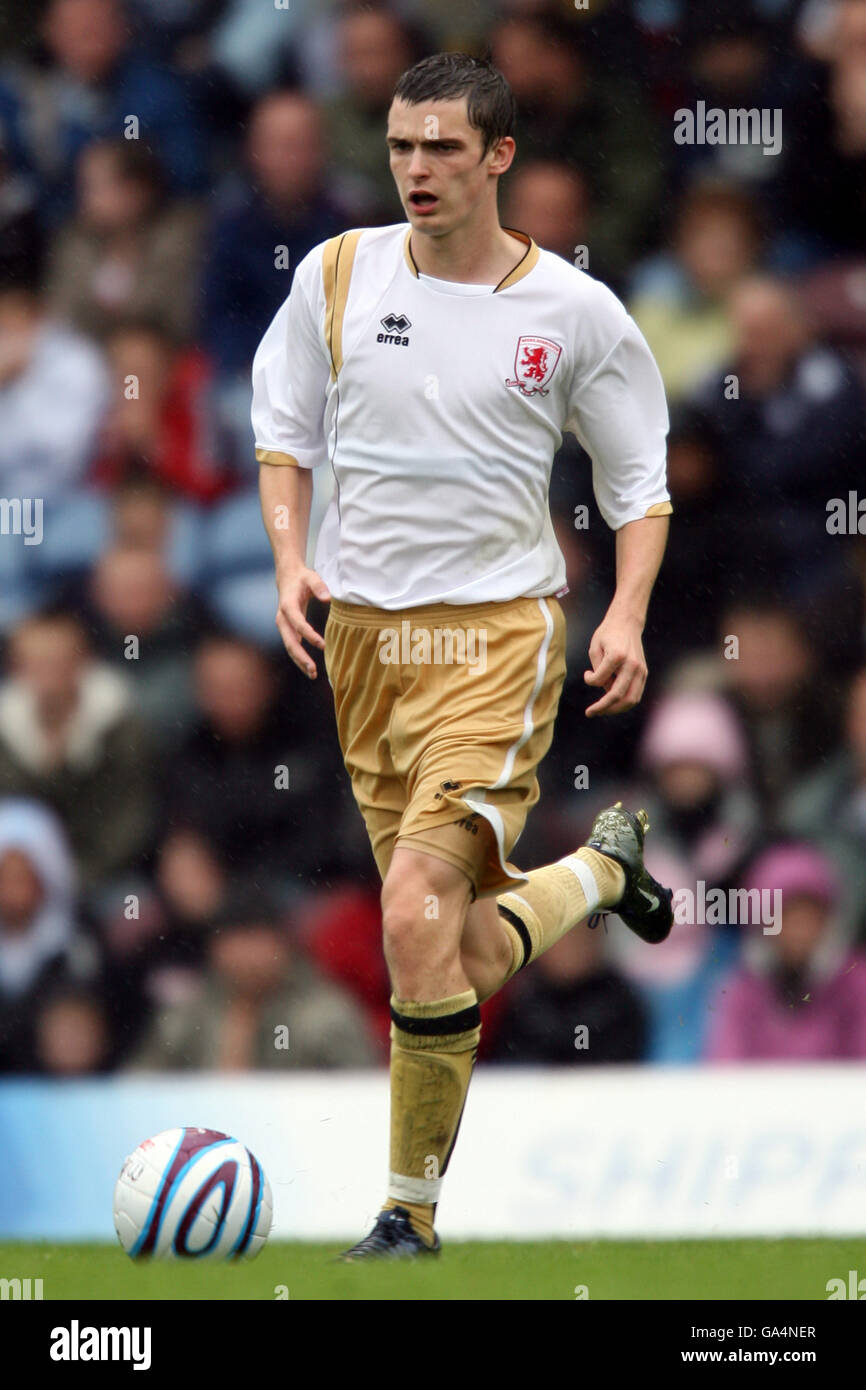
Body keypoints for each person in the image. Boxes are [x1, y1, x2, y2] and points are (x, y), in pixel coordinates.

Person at [254, 52, 675, 1261]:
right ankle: (599, 876)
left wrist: (627, 611)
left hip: (496, 635)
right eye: (399, 147)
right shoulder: (337, 274)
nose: (416, 170)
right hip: (366, 648)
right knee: (444, 937)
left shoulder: (574, 313)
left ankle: (407, 1217)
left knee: (411, 902)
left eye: (442, 147)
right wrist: (290, 562)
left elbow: (637, 485)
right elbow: (283, 437)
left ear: (499, 157)